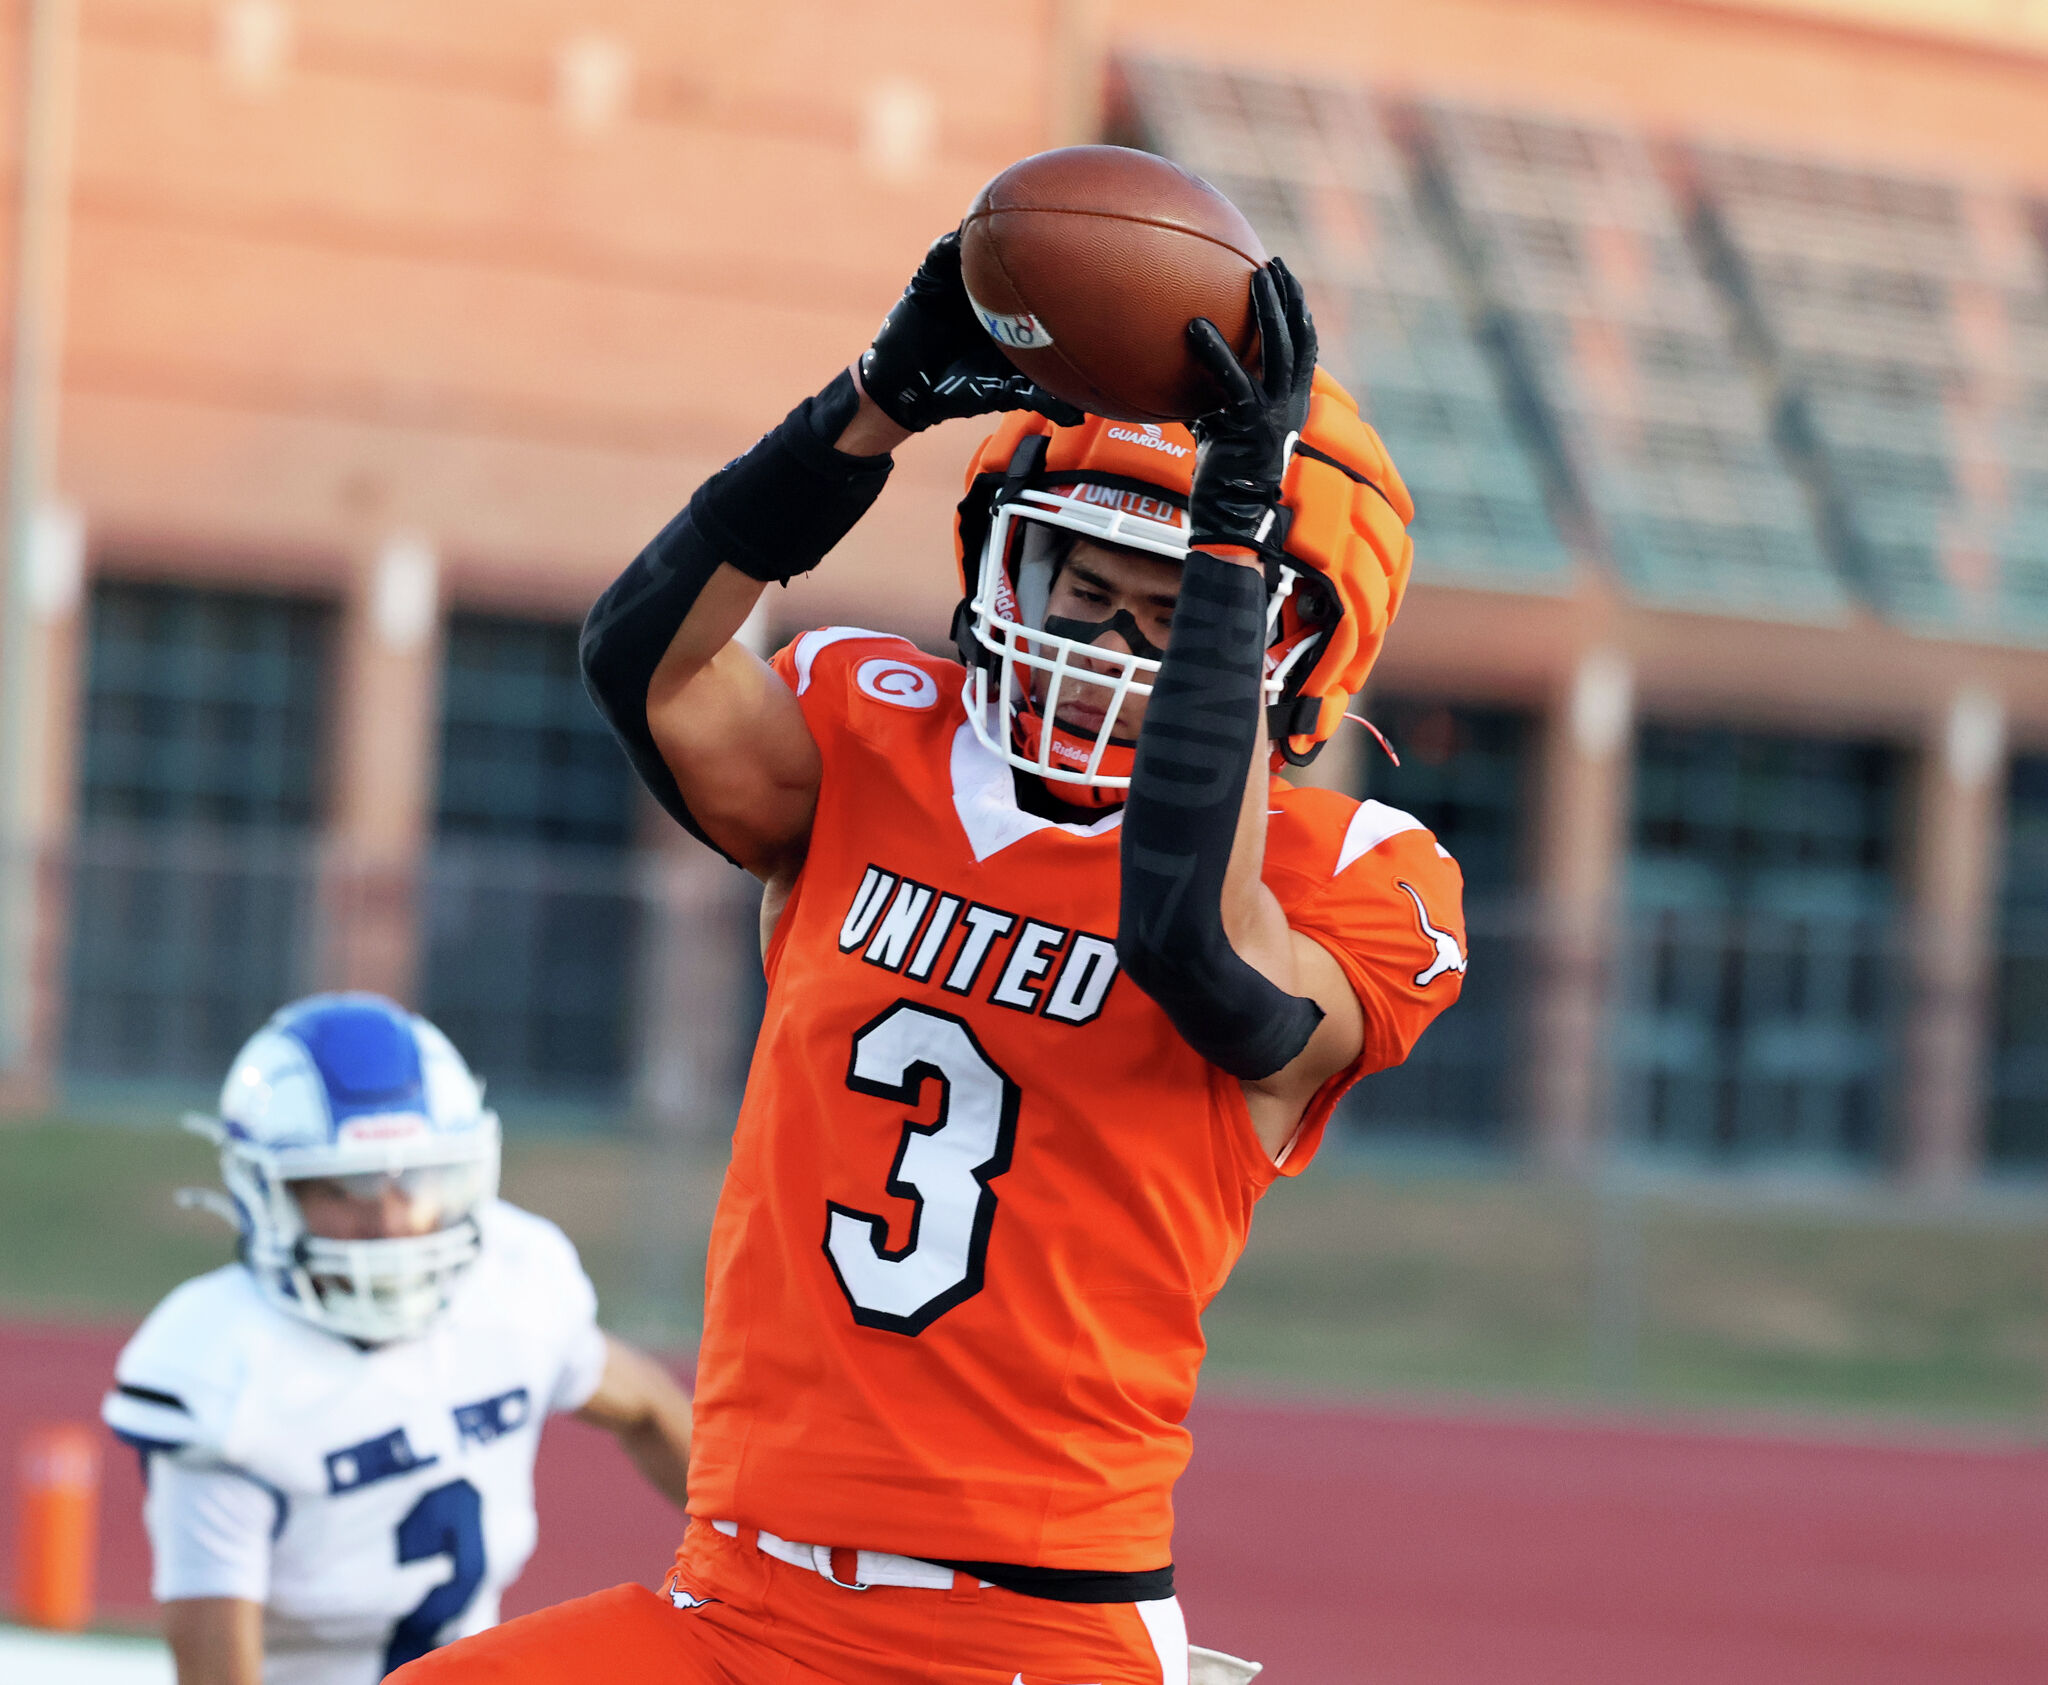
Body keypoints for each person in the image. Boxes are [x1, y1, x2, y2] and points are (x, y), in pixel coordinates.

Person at [397, 234, 1464, 1685]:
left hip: (1028, 1624)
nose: (1110, 639)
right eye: (1085, 585)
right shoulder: (870, 734)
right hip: (738, 1591)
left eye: (1173, 609)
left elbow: (1194, 949)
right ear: (1004, 559)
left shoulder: (1347, 873)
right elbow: (643, 662)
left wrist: (1231, 532)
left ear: (1290, 647)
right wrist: (872, 402)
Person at [102, 993, 696, 1685]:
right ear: (263, 1192)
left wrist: (767, 1551)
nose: (388, 1220)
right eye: (342, 1187)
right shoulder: (220, 1371)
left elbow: (650, 1408)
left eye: (415, 1176)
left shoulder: (513, 1280)